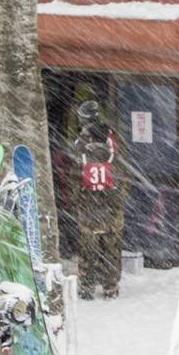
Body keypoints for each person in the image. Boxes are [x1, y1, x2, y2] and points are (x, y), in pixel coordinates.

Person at [67, 98, 126, 298]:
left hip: (88, 206)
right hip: (112, 207)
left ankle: (87, 287)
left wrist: (78, 198)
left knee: (87, 249)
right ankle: (111, 287)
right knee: (112, 248)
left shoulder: (80, 146)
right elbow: (125, 176)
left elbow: (74, 178)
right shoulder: (114, 143)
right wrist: (117, 198)